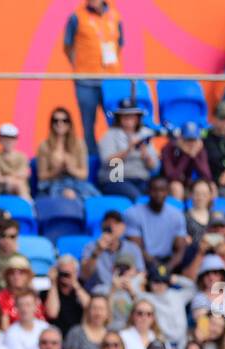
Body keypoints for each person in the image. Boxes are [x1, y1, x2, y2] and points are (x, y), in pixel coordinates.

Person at [63, 0, 124, 144]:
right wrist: (79, 65)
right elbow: (67, 46)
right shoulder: (76, 17)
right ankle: (91, 160)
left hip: (111, 81)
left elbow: (119, 44)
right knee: (88, 125)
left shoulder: (115, 16)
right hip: (86, 81)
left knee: (117, 123)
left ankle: (117, 161)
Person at [96, 99, 157, 200]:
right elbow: (107, 162)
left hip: (142, 179)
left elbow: (154, 167)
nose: (128, 119)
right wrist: (128, 150)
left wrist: (146, 156)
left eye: (132, 115)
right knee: (138, 199)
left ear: (138, 118)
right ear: (119, 118)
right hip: (116, 179)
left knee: (157, 196)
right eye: (125, 116)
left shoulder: (145, 133)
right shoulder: (110, 135)